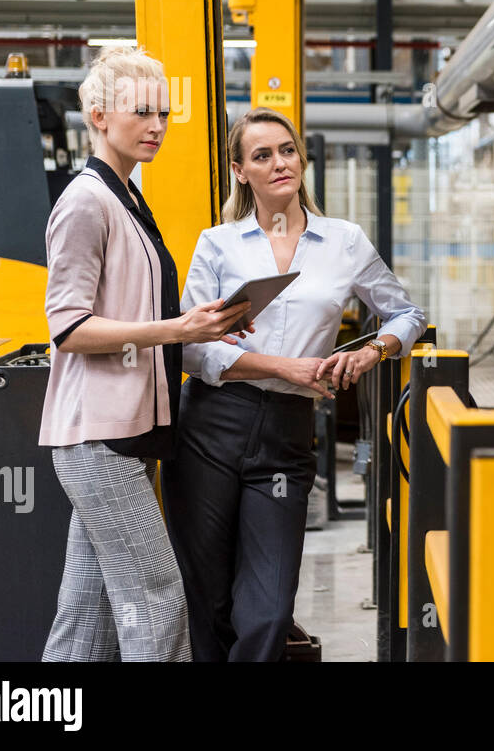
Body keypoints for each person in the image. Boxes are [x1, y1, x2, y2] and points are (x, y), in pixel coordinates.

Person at [162, 107, 426, 661]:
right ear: (240, 171)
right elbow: (190, 346)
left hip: (286, 433)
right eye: (262, 155)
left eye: (287, 150)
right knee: (205, 593)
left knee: (268, 602)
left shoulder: (344, 242)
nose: (280, 163)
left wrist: (375, 351)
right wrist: (286, 367)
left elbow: (407, 314)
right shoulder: (218, 243)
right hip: (209, 425)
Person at [40, 44, 253, 661]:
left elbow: (138, 313)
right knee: (158, 600)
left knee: (89, 616)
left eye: (164, 113)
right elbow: (69, 326)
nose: (158, 126)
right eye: (142, 113)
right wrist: (175, 330)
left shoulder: (127, 197)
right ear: (100, 116)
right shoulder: (87, 202)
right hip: (99, 438)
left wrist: (203, 328)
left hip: (126, 433)